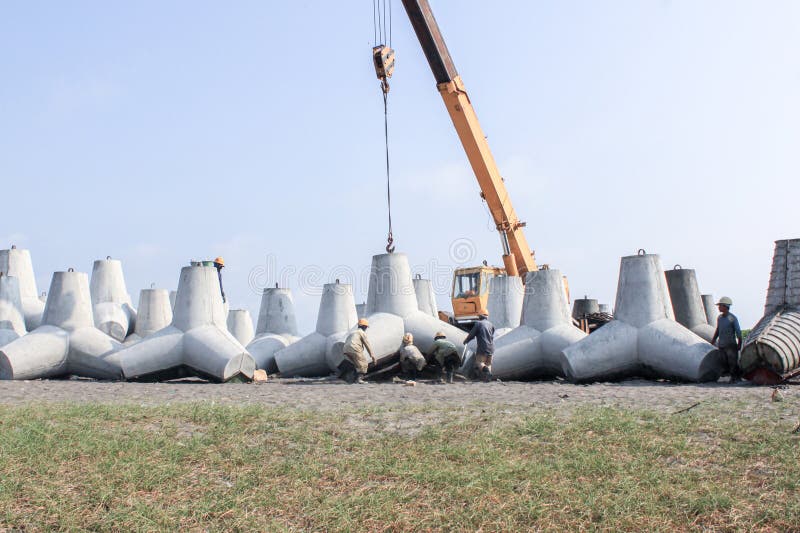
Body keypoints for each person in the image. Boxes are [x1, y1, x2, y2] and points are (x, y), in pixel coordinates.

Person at [711, 296, 743, 383]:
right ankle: (728, 376)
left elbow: (738, 332)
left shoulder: (732, 318)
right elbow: (718, 330)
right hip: (722, 344)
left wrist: (739, 343)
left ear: (725, 306)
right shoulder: (719, 318)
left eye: (720, 305)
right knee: (723, 362)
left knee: (732, 362)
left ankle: (735, 378)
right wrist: (713, 340)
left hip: (731, 345)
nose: (718, 307)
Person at [341, 318, 376, 384]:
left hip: (346, 349)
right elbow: (367, 344)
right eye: (366, 327)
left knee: (356, 364)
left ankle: (353, 379)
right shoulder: (361, 333)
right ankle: (359, 379)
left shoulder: (353, 332)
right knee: (364, 364)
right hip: (354, 348)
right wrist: (372, 356)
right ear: (364, 327)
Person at [464, 309, 495, 382]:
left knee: (479, 362)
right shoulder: (491, 324)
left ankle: (487, 372)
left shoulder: (478, 324)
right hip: (491, 347)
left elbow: (472, 335)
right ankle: (488, 378)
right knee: (488, 363)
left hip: (482, 347)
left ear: (480, 316)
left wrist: (466, 341)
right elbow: (492, 335)